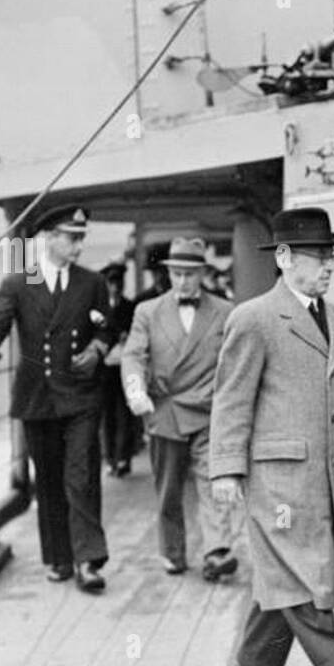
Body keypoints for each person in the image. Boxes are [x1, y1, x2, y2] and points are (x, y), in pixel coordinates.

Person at [209, 208, 334, 666]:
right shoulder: (253, 319)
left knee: (291, 573)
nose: (329, 265)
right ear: (284, 258)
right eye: (317, 256)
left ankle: (254, 663)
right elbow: (231, 399)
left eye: (331, 256)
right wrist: (225, 468)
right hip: (279, 477)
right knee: (306, 573)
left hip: (330, 474)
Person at [0, 206, 114, 592]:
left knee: (82, 475)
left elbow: (109, 327)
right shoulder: (19, 284)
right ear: (49, 238)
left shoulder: (92, 284)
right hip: (37, 398)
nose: (79, 247)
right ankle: (59, 558)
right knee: (49, 480)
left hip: (80, 395)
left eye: (81, 238)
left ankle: (89, 560)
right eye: (72, 238)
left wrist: (98, 349)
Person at [121, 237, 239, 582]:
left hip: (208, 410)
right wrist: (135, 389)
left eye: (189, 274)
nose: (183, 281)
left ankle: (217, 551)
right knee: (169, 488)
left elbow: (234, 362)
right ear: (168, 274)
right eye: (176, 274)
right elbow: (133, 355)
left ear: (202, 272)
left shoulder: (225, 311)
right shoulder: (148, 311)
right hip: (166, 410)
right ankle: (172, 552)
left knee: (212, 481)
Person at [99, 263, 136, 477]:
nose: (116, 287)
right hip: (105, 369)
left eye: (119, 282)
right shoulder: (99, 310)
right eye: (112, 282)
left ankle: (123, 457)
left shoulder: (131, 308)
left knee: (125, 413)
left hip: (125, 366)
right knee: (108, 415)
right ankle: (111, 458)